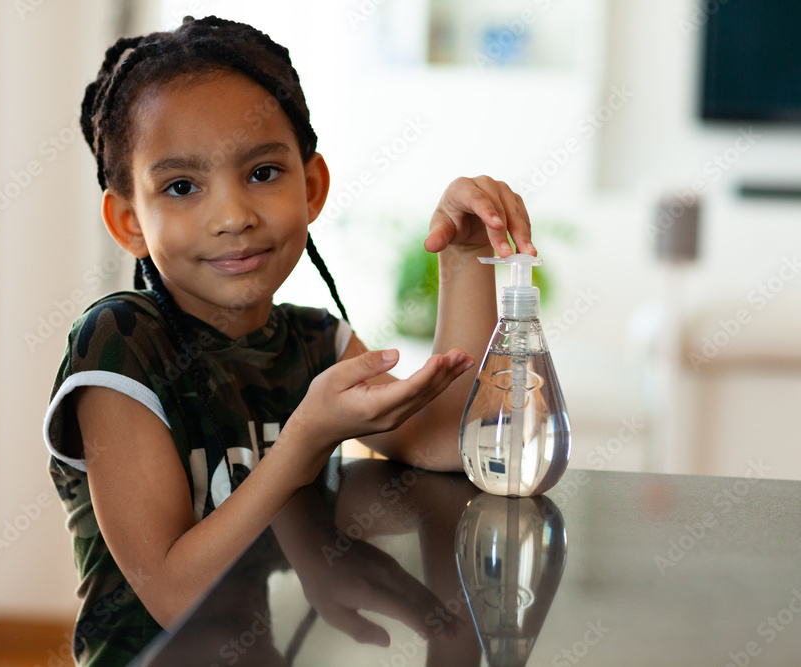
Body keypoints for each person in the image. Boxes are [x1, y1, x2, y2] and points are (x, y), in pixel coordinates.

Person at [42, 15, 536, 665]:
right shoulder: (119, 345)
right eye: (182, 187)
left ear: (312, 187)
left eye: (263, 173)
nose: (233, 216)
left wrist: (468, 255)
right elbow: (175, 596)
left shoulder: (312, 340)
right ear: (130, 220)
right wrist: (303, 440)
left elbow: (448, 443)